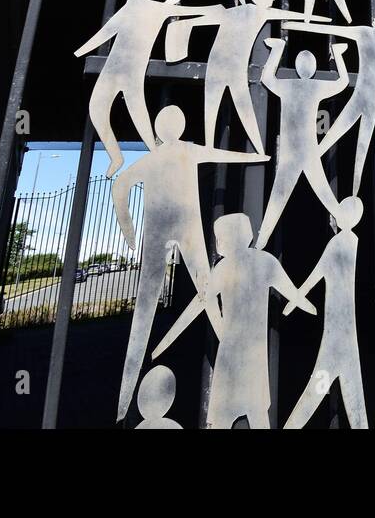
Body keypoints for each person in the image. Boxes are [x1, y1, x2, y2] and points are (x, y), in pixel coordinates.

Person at [111, 105, 264, 422]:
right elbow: (225, 154)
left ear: (158, 129)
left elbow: (119, 185)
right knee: (210, 302)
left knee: (146, 314)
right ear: (179, 127)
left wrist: (128, 230)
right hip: (188, 230)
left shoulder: (153, 158)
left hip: (156, 235)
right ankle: (241, 373)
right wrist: (257, 156)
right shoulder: (188, 151)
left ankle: (124, 401)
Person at [73, 0, 213, 177]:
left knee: (132, 113)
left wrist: (210, 10)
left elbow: (184, 10)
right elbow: (105, 33)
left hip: (127, 71)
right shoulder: (138, 9)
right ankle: (120, 157)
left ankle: (146, 153)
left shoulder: (152, 8)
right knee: (102, 110)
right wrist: (79, 52)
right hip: (115, 70)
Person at [163, 0, 326, 153]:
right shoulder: (258, 12)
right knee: (242, 108)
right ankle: (256, 150)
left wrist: (178, 42)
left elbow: (193, 22)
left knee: (215, 108)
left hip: (218, 64)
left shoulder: (233, 12)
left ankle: (214, 146)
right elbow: (290, 14)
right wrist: (314, 19)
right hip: (231, 66)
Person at [206, 214, 316, 429]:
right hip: (253, 348)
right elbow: (291, 291)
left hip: (231, 347)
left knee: (224, 413)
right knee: (256, 409)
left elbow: (209, 300)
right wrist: (306, 305)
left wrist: (221, 330)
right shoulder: (265, 261)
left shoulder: (222, 268)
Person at [286, 12, 375, 195]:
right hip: (373, 99)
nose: (373, 19)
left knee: (334, 132)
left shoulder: (364, 32)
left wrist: (296, 25)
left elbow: (330, 29)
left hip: (361, 94)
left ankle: (308, 163)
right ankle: (354, 192)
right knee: (362, 146)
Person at [282, 197, 367, 429]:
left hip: (337, 330)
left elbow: (316, 274)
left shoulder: (339, 243)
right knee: (349, 391)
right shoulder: (353, 241)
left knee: (324, 388)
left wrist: (296, 299)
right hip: (345, 331)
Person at [256, 37, 349, 248]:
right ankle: (344, 222)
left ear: (297, 68)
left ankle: (261, 242)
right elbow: (342, 83)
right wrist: (338, 55)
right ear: (314, 68)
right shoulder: (317, 87)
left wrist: (276, 50)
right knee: (324, 192)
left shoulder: (286, 85)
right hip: (308, 149)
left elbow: (267, 78)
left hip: (291, 150)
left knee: (278, 197)